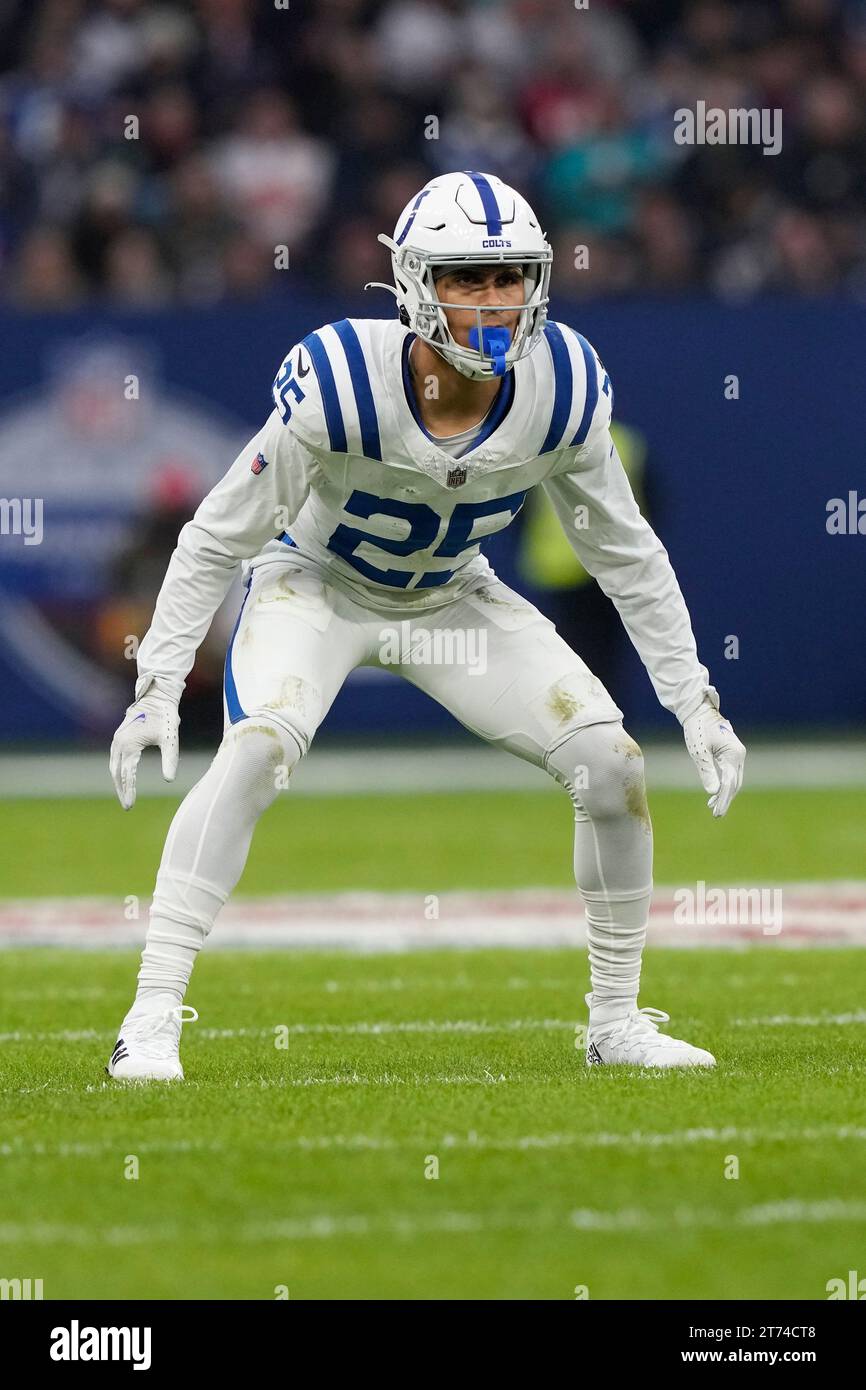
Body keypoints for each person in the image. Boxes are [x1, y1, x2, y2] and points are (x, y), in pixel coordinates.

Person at [107, 171, 745, 1081]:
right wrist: (159, 684)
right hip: (316, 585)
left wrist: (694, 702)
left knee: (611, 763)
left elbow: (625, 553)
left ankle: (614, 1022)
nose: (493, 302)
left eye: (509, 277)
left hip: (451, 596)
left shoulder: (561, 387)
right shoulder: (340, 383)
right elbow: (216, 536)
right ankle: (152, 1015)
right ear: (413, 283)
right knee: (255, 749)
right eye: (465, 278)